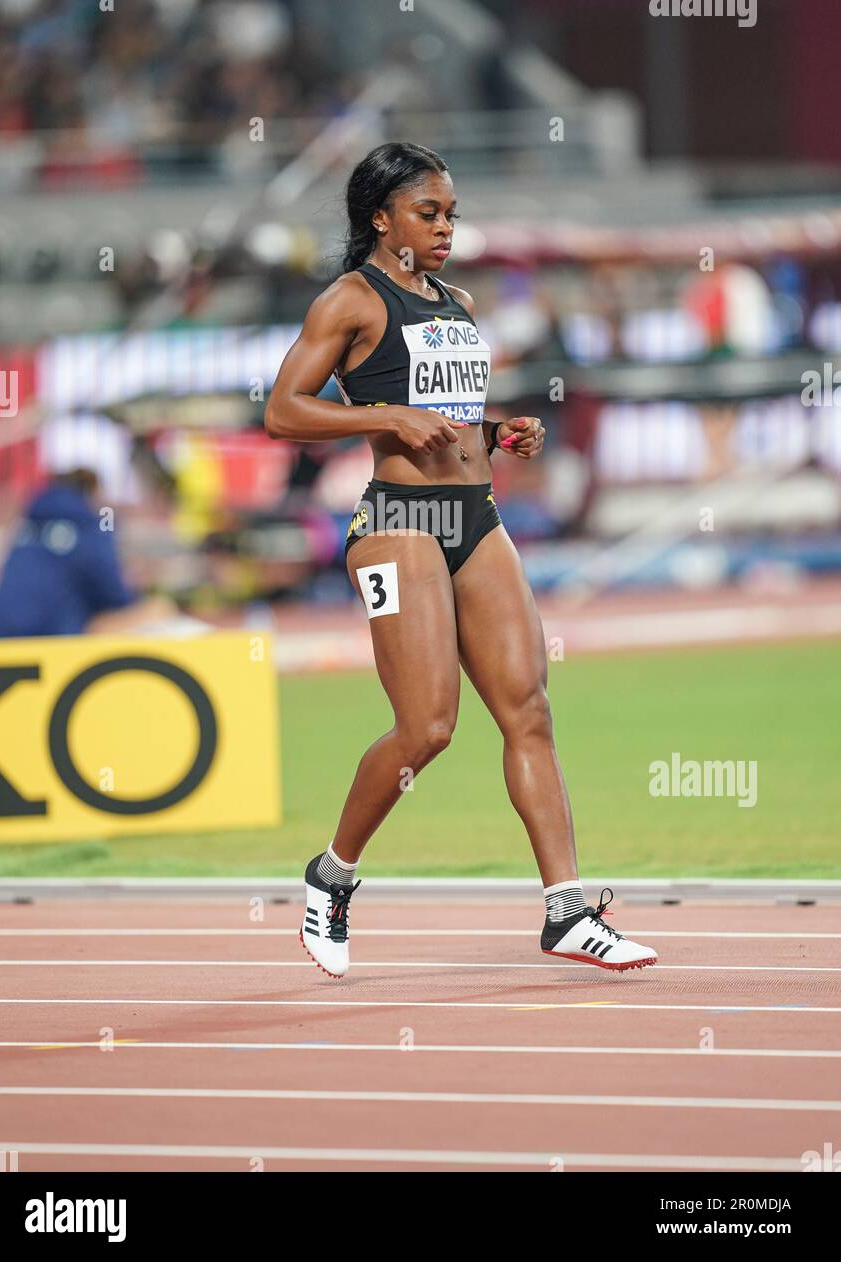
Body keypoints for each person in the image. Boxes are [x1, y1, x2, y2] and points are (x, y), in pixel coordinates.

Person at [264, 142, 657, 978]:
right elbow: (282, 411)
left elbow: (450, 418)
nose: (446, 228)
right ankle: (331, 877)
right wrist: (386, 418)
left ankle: (568, 910)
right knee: (428, 727)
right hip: (399, 521)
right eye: (428, 213)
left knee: (530, 710)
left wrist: (497, 433)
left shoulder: (458, 301)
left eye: (451, 213)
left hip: (476, 518)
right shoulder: (349, 302)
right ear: (381, 218)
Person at [0, 467, 174, 638]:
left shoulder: (27, 523)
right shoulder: (93, 524)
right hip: (52, 642)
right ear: (93, 493)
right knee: (159, 610)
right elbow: (115, 595)